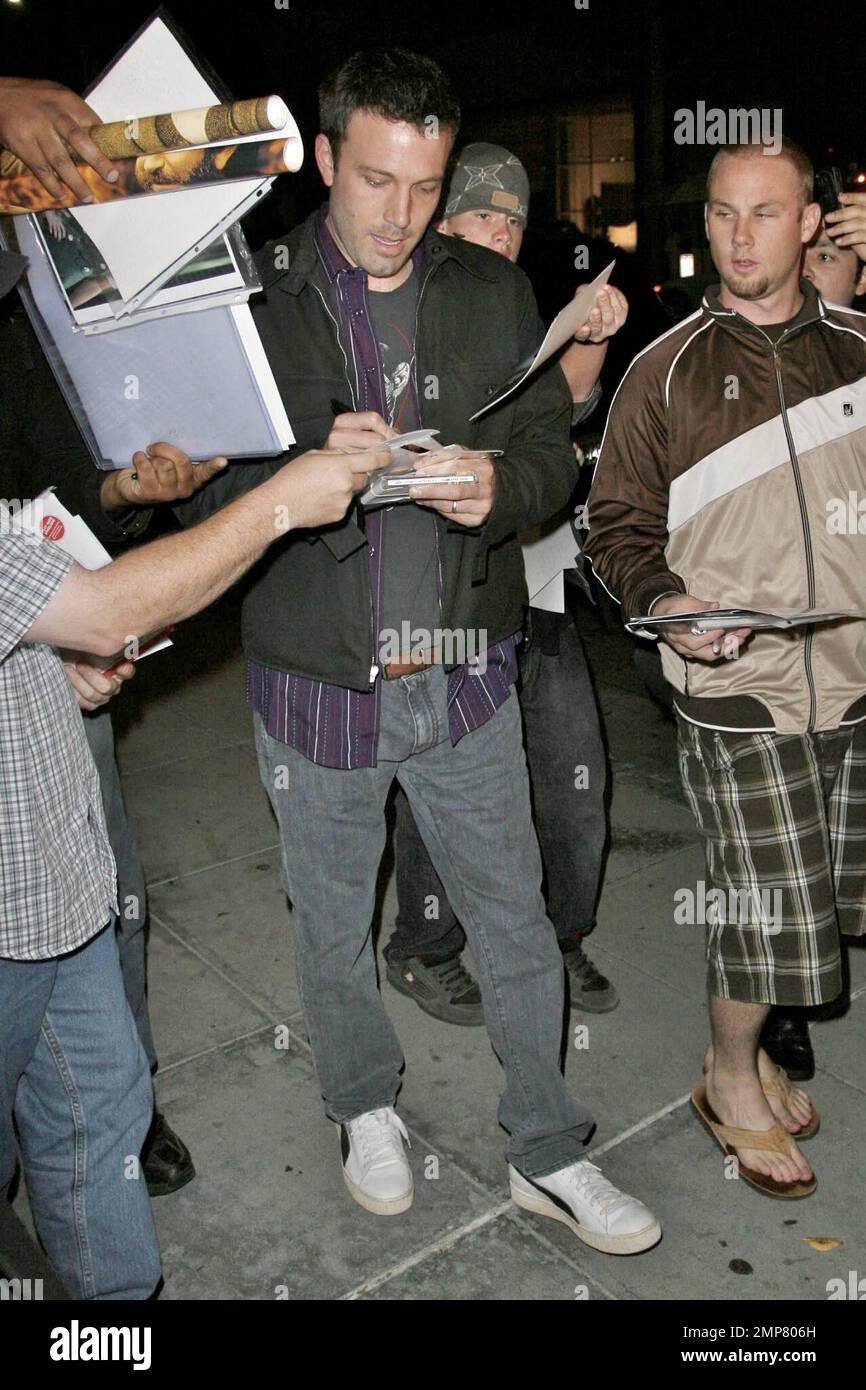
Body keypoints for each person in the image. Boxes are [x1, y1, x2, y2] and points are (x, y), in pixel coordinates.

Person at [171, 49, 660, 1255]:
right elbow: (185, 502)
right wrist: (293, 473)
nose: (400, 216)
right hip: (313, 676)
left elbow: (551, 455)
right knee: (329, 921)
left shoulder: (486, 293)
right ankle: (362, 1104)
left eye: (426, 187)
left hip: (464, 670)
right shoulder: (254, 293)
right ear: (327, 157)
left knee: (514, 913)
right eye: (376, 181)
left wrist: (500, 484)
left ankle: (547, 1145)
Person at [0, 270, 380, 1296]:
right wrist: (279, 501)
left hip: (59, 881)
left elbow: (42, 597)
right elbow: (107, 605)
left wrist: (50, 666)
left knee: (100, 1122)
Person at [585, 137, 866, 1199]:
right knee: (764, 903)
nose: (737, 235)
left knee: (820, 900)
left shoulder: (855, 350)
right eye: (719, 213)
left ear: (809, 224)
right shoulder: (661, 371)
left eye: (763, 212)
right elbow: (612, 525)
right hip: (732, 691)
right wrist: (662, 603)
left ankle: (743, 1057)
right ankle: (723, 1074)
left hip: (848, 678)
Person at [385, 142, 629, 1023]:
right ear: (440, 223)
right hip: (445, 595)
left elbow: (552, 411)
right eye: (484, 214)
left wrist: (590, 336)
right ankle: (423, 945)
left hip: (539, 581)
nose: (502, 233)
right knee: (437, 775)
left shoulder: (515, 309)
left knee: (572, 772)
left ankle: (558, 941)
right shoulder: (406, 311)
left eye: (515, 220)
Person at [0, 305, 208, 1198]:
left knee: (105, 893)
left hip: (55, 622)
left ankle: (123, 1108)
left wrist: (126, 494)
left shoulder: (28, 306)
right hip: (51, 623)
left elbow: (52, 496)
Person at [759, 190, 866, 1083]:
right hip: (770, 654)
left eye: (842, 255)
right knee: (777, 851)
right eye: (819, 251)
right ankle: (773, 1019)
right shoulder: (746, 350)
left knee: (831, 844)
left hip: (851, 649)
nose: (826, 266)